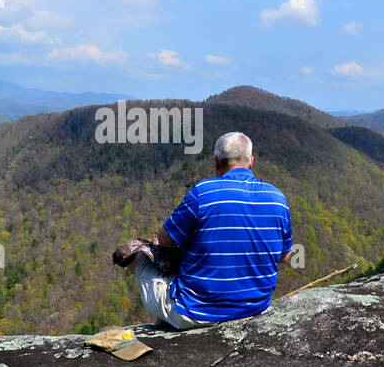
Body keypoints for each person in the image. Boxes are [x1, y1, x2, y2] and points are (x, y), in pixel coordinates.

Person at [115, 131, 293, 329]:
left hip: (196, 313)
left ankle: (165, 330)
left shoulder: (203, 192)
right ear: (251, 162)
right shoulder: (278, 198)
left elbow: (164, 241)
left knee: (138, 254)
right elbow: (284, 256)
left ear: (216, 161)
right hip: (255, 308)